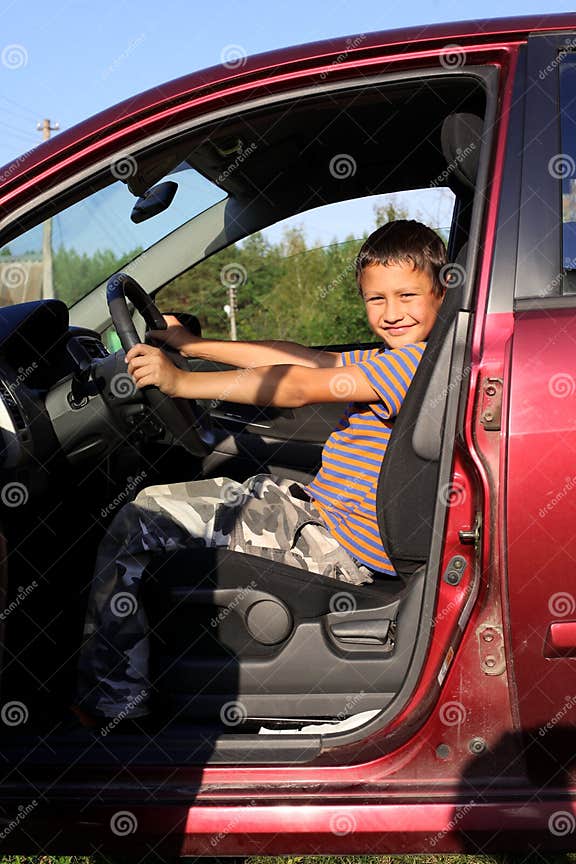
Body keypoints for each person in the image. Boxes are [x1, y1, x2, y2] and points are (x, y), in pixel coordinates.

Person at [74, 219, 448, 723]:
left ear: (443, 291)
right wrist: (191, 346)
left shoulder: (417, 364)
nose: (391, 313)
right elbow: (300, 357)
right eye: (376, 300)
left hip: (335, 546)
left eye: (407, 296)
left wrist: (182, 382)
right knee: (167, 506)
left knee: (141, 520)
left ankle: (113, 702)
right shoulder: (399, 357)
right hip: (310, 515)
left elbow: (295, 386)